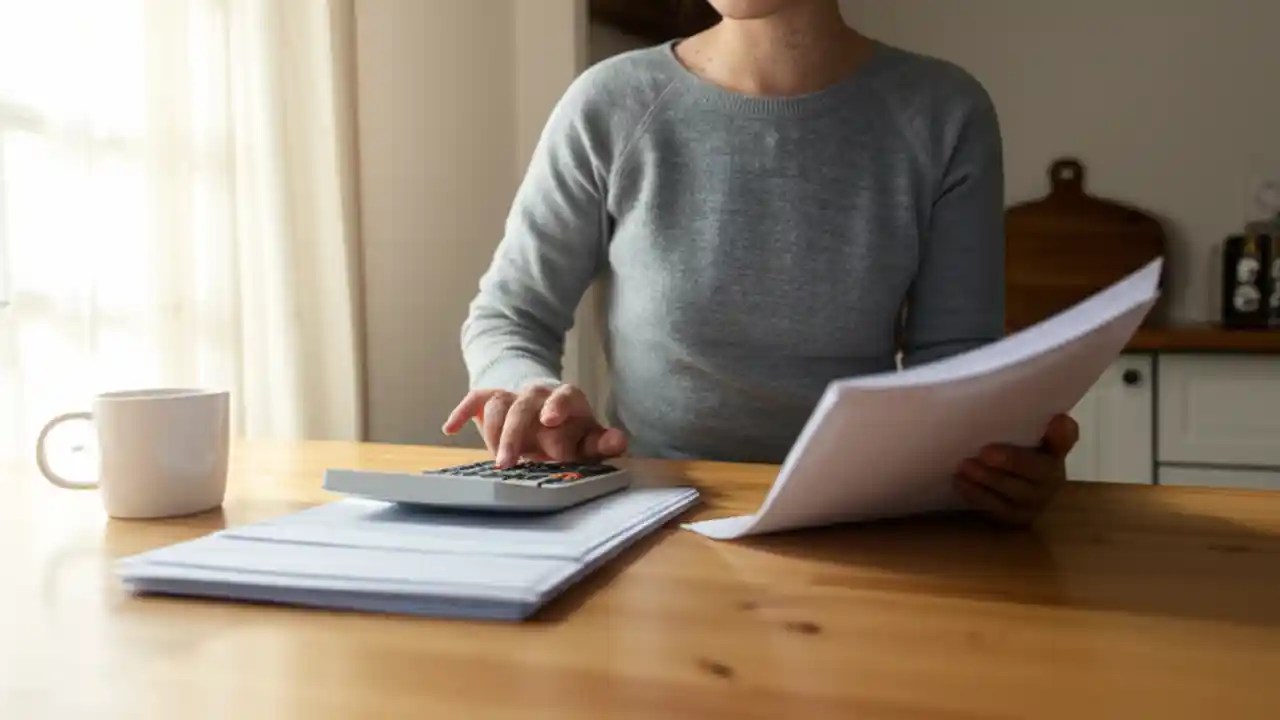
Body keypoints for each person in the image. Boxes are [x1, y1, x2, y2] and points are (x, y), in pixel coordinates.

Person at [443, 0, 1078, 525]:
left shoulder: (944, 112)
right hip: (651, 520)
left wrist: (996, 460)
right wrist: (524, 391)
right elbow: (509, 316)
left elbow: (956, 363)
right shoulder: (611, 103)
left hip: (868, 523)